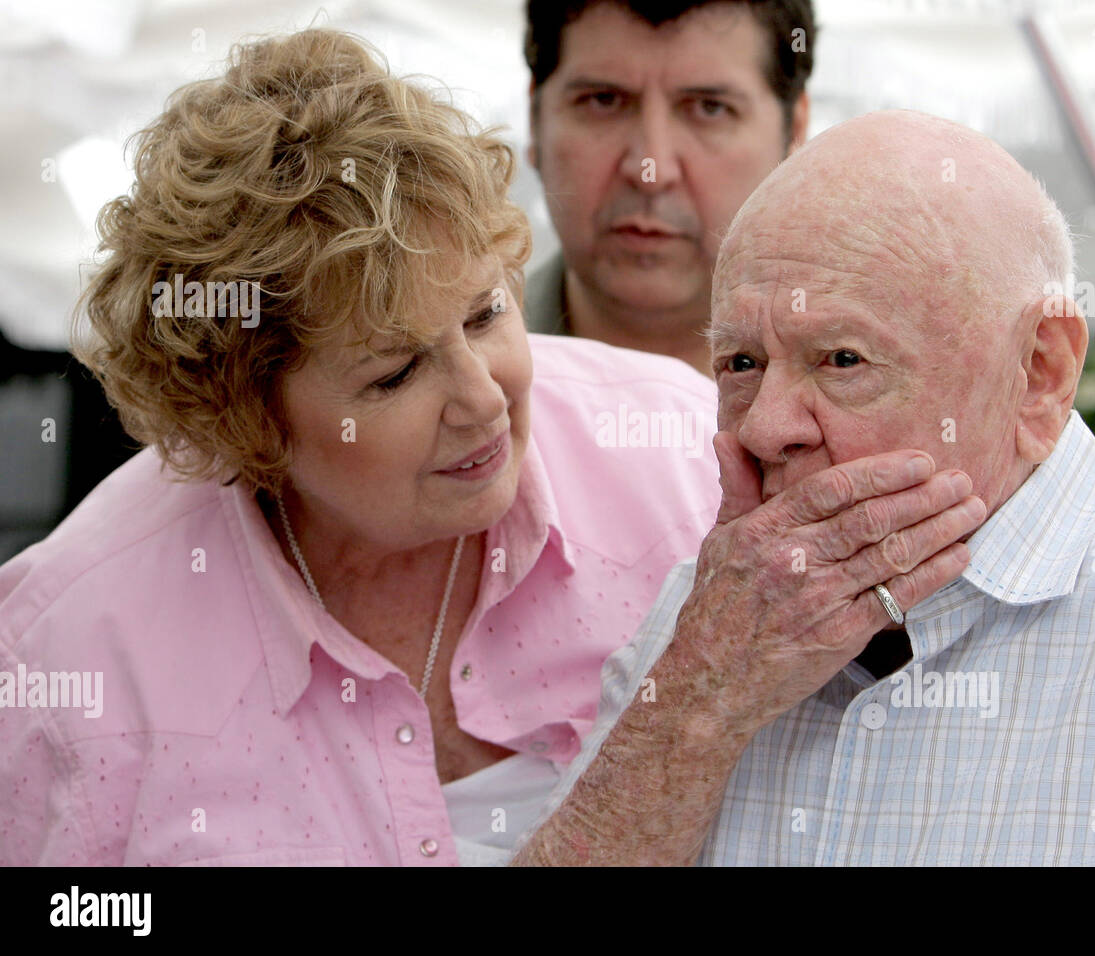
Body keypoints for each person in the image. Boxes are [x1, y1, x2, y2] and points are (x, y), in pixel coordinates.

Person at [0, 28, 736, 867]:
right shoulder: (65, 661)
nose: (484, 398)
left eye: (486, 313)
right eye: (395, 374)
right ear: (244, 419)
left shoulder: (688, 462)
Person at [513, 110, 1095, 866]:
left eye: (842, 360)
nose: (764, 428)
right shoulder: (707, 622)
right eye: (741, 364)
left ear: (1040, 373)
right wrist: (698, 703)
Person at [522, 0, 814, 375]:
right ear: (535, 120)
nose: (651, 172)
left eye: (710, 108)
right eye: (603, 101)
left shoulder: (892, 403)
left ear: (794, 133)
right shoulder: (435, 393)